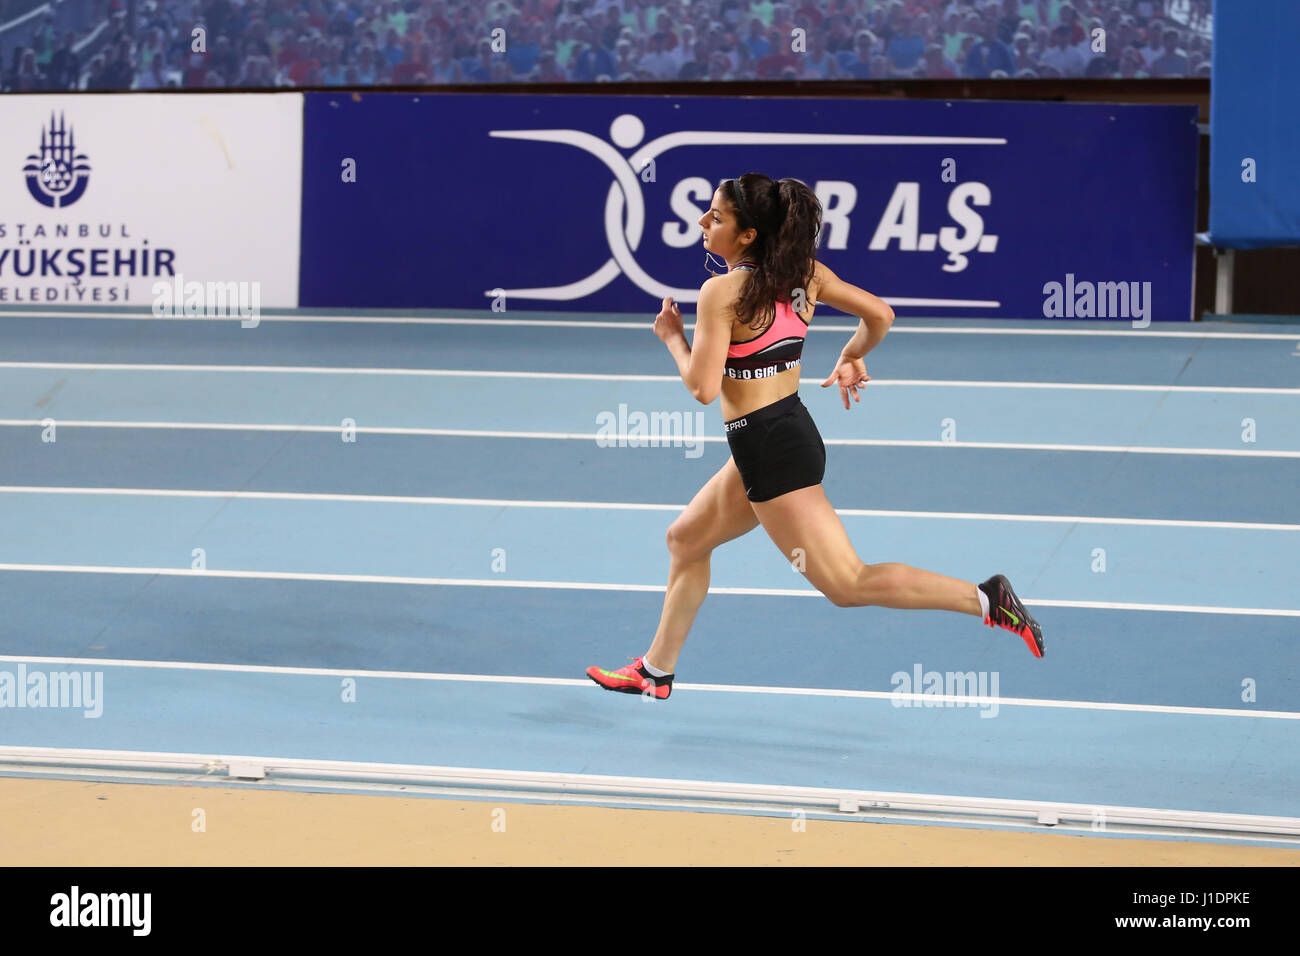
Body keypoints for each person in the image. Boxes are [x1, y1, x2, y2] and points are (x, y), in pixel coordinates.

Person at [587, 175, 1045, 700]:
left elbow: (703, 388)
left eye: (716, 217)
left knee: (848, 584)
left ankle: (987, 599)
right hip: (778, 436)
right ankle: (655, 670)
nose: (702, 223)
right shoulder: (805, 274)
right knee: (685, 540)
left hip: (771, 452)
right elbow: (881, 315)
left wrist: (672, 339)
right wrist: (853, 353)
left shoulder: (720, 293)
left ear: (748, 236)